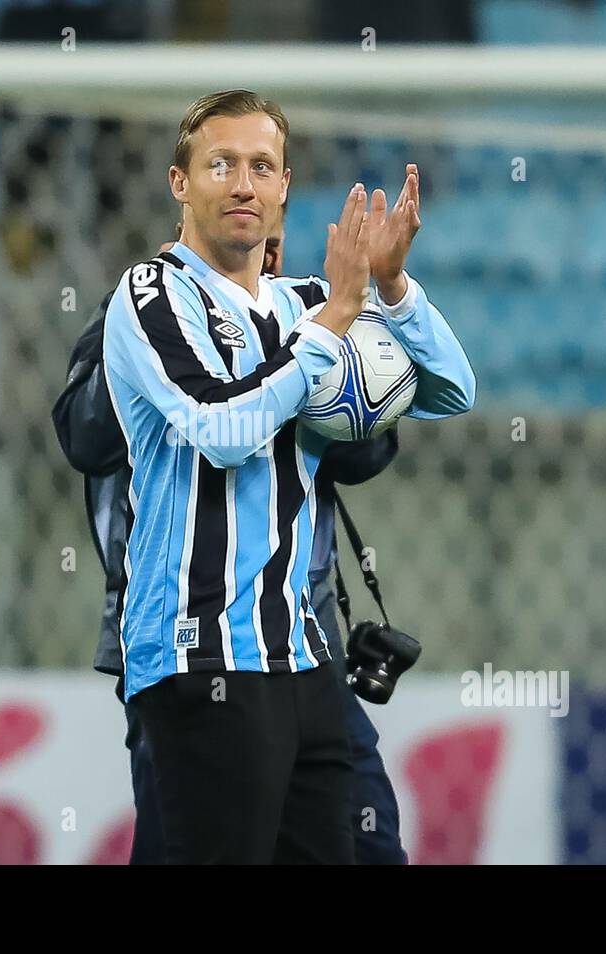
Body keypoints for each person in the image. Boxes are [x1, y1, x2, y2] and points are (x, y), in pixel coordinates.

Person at [100, 89, 475, 864]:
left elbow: (451, 391)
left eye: (262, 167)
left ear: (283, 189)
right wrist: (336, 320)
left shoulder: (304, 300)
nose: (243, 183)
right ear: (181, 183)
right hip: (200, 654)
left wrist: (394, 288)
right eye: (222, 164)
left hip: (303, 658)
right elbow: (221, 431)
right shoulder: (148, 296)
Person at [53, 211, 409, 864]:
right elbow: (83, 436)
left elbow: (370, 452)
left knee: (366, 844)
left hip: (300, 638)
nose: (259, 259)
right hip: (187, 646)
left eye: (270, 246)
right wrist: (156, 330)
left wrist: (300, 356)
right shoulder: (136, 314)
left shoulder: (304, 325)